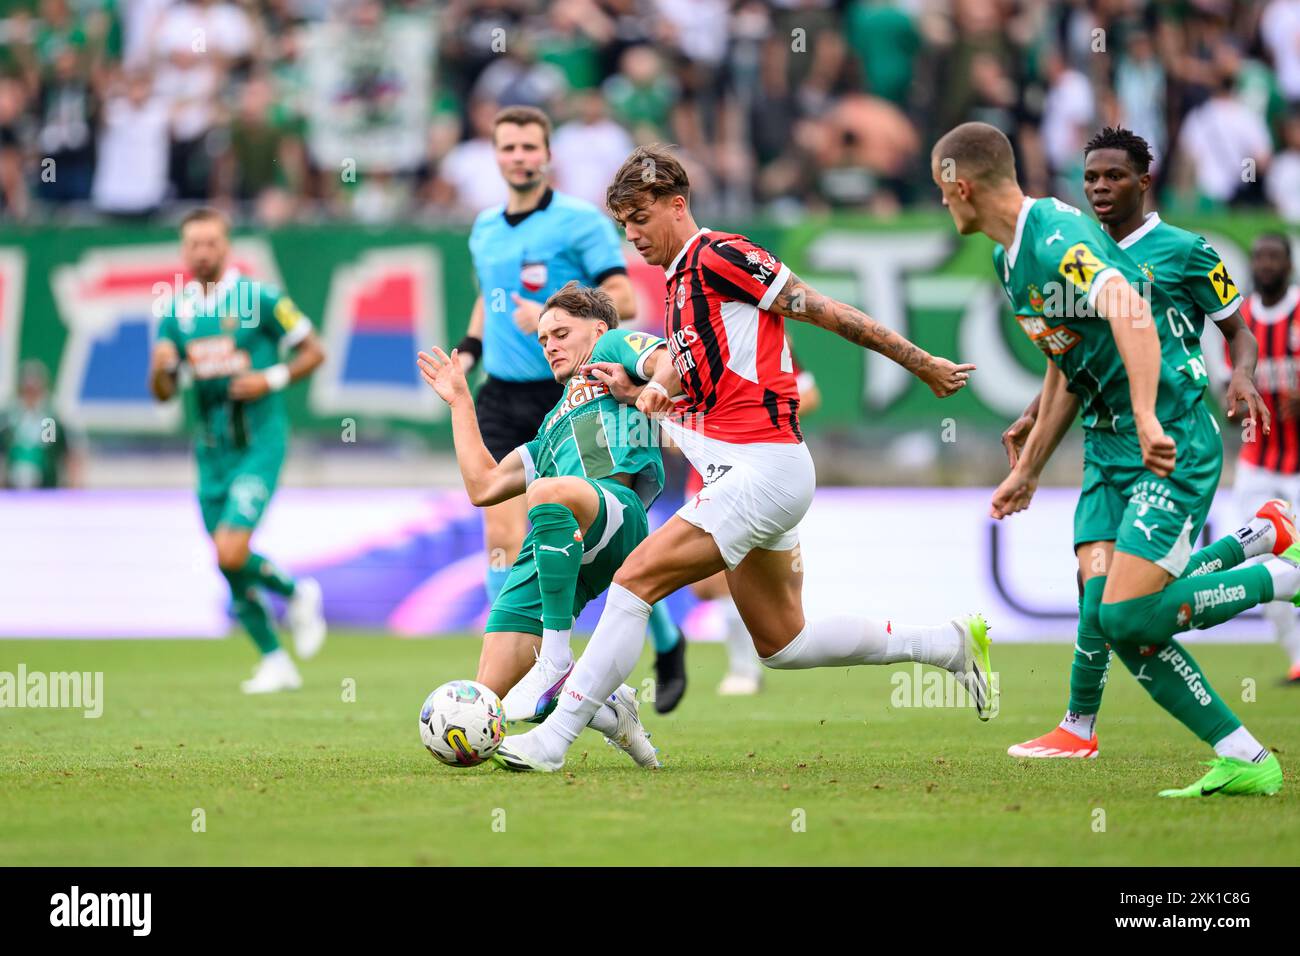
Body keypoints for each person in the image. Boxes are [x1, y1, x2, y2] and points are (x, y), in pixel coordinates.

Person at [492, 144, 993, 773]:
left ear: (678, 205)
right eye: (623, 225)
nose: (632, 236)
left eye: (641, 218)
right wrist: (639, 392)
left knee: (634, 583)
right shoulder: (679, 286)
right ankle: (947, 645)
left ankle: (555, 738)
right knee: (784, 642)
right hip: (754, 471)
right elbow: (707, 390)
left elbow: (825, 310)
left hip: (764, 467)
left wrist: (921, 363)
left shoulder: (722, 255)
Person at [932, 121, 1285, 796]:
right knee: (1101, 604)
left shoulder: (1060, 239)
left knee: (1127, 619)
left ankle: (1277, 576)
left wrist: (1149, 415)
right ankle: (1090, 728)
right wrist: (1030, 464)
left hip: (1169, 438)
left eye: (941, 190)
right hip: (1106, 447)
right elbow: (1068, 360)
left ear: (962, 186)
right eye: (1090, 175)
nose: (1098, 187)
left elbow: (1132, 313)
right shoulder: (1011, 256)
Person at [459, 105, 687, 710]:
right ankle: (517, 660)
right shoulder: (484, 228)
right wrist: (467, 352)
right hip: (506, 390)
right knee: (505, 533)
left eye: (530, 146)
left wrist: (550, 319)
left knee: (586, 534)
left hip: (570, 389)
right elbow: (488, 298)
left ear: (548, 153)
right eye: (508, 147)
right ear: (497, 155)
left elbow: (621, 297)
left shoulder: (580, 222)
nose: (520, 156)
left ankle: (663, 638)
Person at [416, 281, 662, 768]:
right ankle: (615, 714)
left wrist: (650, 386)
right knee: (487, 705)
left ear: (596, 329)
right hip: (559, 539)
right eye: (543, 337)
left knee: (545, 492)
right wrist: (461, 403)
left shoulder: (611, 349)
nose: (549, 344)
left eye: (561, 333)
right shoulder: (549, 429)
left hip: (616, 512)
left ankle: (555, 659)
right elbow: (483, 487)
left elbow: (664, 359)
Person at [148, 208, 327, 694]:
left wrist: (270, 378)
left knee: (231, 548)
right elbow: (162, 392)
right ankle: (275, 659)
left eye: (211, 242)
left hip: (259, 444)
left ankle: (297, 591)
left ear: (226, 246)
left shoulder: (261, 297)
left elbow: (315, 349)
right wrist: (163, 368)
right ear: (184, 251)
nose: (203, 252)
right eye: (193, 244)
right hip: (211, 453)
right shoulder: (175, 313)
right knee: (227, 560)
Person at [1230, 233, 1300, 683]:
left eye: (1274, 256)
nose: (1266, 263)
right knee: (1259, 568)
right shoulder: (1239, 323)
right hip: (1256, 465)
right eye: (1259, 256)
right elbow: (1225, 385)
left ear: (1289, 263)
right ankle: (1298, 660)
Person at [0, 360, 84, 488]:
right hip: (12, 487)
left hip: (45, 487)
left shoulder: (51, 416)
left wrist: (74, 486)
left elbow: (67, 452)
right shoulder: (10, 417)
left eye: (34, 390)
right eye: (27, 390)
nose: (31, 395)